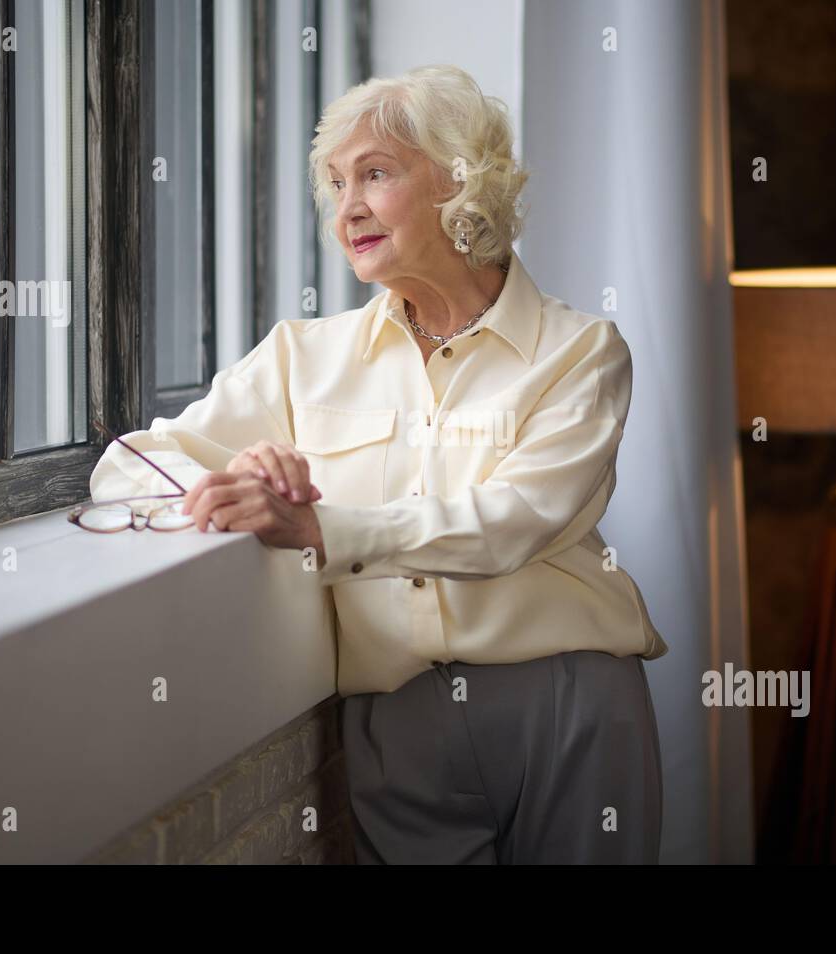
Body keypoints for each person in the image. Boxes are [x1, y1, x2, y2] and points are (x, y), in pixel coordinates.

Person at [89, 64, 668, 864]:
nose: (347, 207)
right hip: (394, 723)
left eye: (376, 173)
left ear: (462, 182)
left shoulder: (581, 353)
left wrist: (320, 526)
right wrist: (234, 490)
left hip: (566, 697)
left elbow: (518, 520)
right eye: (335, 183)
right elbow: (129, 463)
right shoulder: (302, 357)